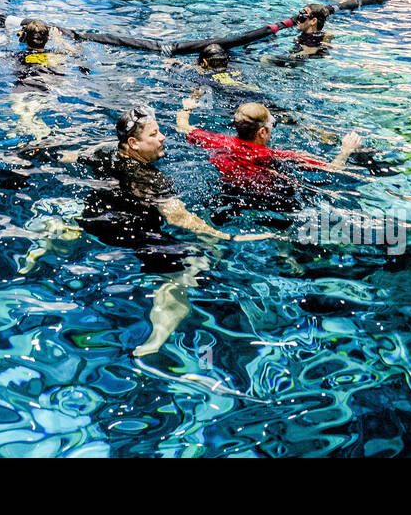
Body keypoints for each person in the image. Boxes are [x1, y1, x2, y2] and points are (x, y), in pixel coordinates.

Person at [78, 106, 275, 356]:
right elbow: (179, 217)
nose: (162, 137)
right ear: (133, 143)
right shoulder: (153, 179)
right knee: (194, 264)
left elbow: (69, 157)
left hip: (92, 220)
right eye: (154, 134)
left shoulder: (104, 155)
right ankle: (155, 341)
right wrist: (229, 237)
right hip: (132, 234)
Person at [176, 95, 361, 220]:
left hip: (227, 191)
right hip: (269, 199)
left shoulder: (218, 142)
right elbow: (332, 169)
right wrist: (346, 150)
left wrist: (187, 107)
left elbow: (183, 127)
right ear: (262, 132)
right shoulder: (277, 155)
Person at [262, 3, 334, 64]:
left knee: (265, 59)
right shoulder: (299, 38)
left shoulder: (322, 37)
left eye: (303, 16)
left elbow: (311, 52)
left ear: (313, 21)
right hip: (300, 61)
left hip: (308, 62)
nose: (298, 19)